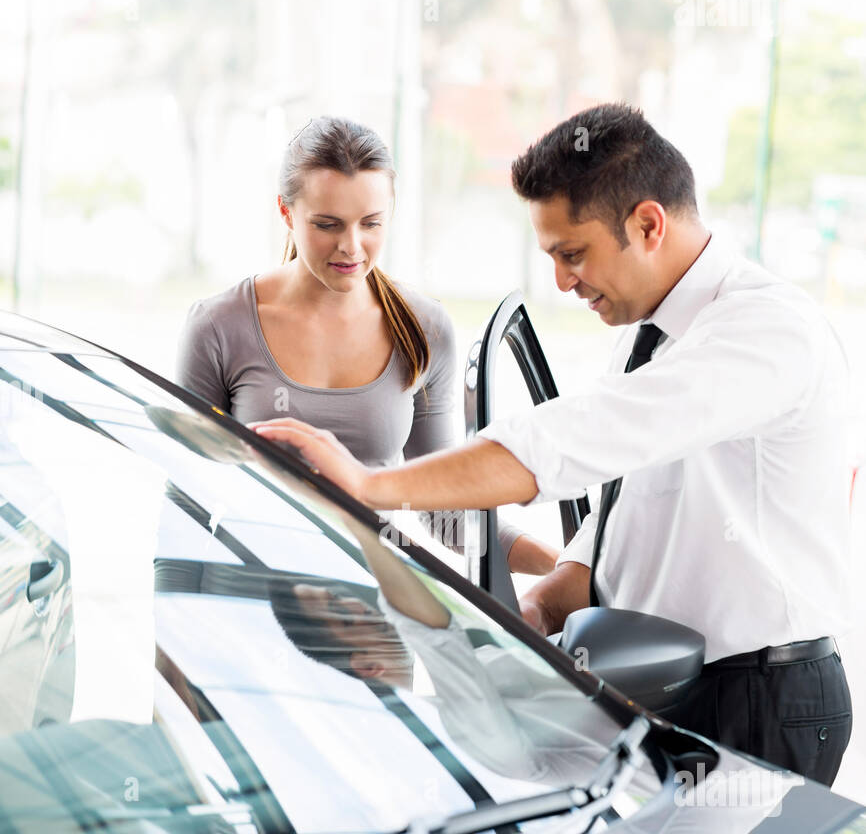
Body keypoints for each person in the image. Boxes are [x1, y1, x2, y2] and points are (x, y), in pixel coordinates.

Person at [250, 103, 854, 787]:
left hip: (761, 702)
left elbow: (577, 439)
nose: (564, 282)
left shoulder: (765, 331)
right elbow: (629, 507)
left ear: (648, 225)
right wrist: (551, 599)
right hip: (659, 684)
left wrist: (368, 486)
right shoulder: (648, 332)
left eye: (572, 254)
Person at [176, 114, 552, 574]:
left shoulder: (424, 329)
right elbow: (186, 496)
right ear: (286, 212)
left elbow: (444, 510)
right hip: (248, 598)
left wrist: (564, 569)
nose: (351, 247)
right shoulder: (217, 326)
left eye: (371, 223)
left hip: (371, 602)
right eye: (327, 224)